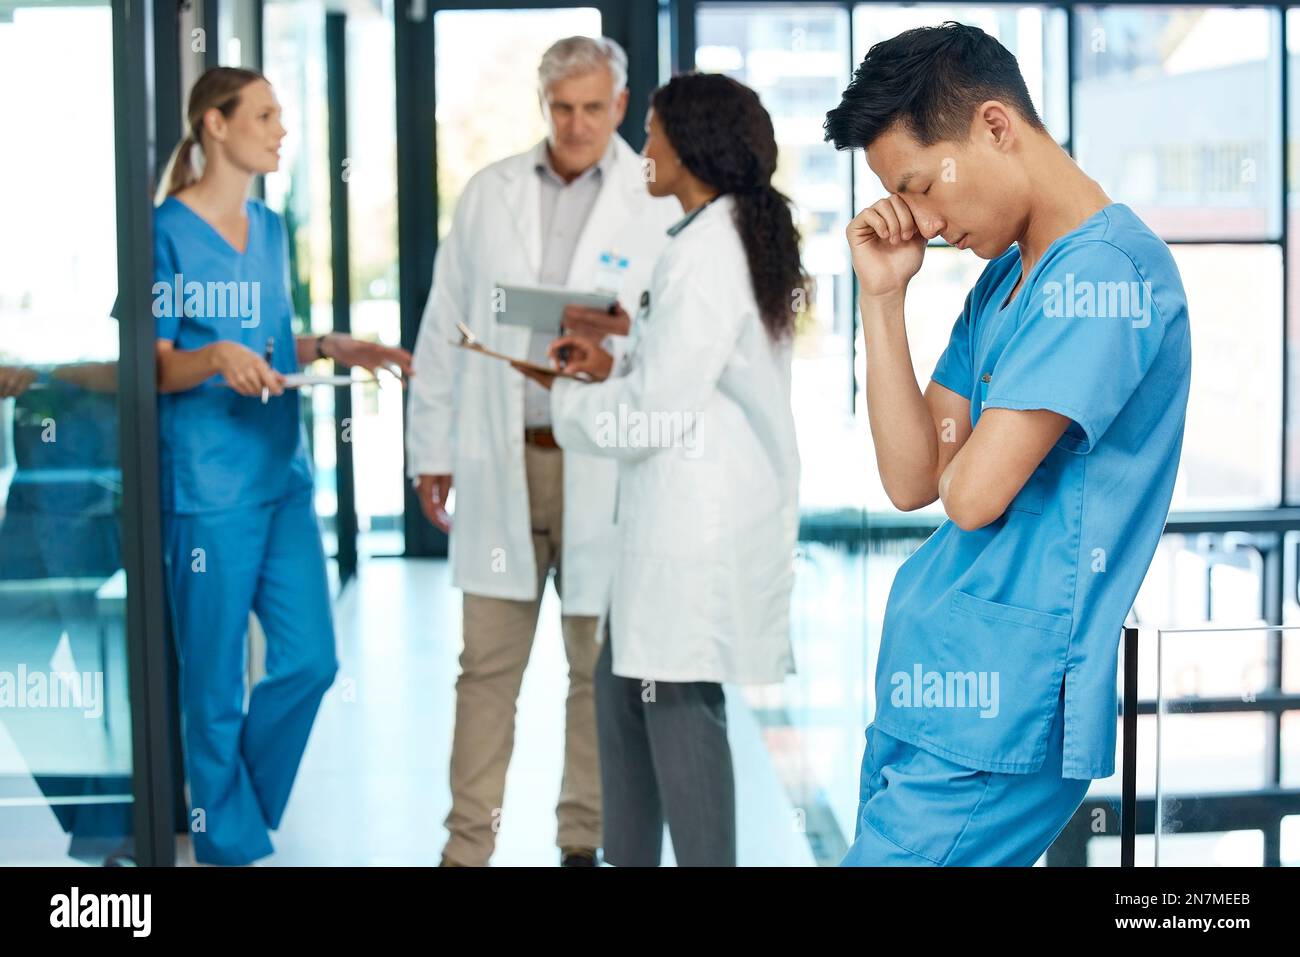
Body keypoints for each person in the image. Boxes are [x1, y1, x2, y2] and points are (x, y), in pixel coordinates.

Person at [822, 22, 1192, 865]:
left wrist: (964, 458)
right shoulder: (1007, 277)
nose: (919, 218)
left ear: (995, 126)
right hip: (933, 690)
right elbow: (916, 475)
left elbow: (974, 492)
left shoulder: (1106, 276)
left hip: (1002, 713)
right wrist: (883, 299)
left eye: (919, 185)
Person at [516, 72, 803, 866]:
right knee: (619, 690)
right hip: (678, 517)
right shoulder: (711, 235)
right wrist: (612, 361)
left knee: (675, 701)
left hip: (694, 523)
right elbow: (675, 375)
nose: (644, 147)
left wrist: (568, 401)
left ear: (694, 143)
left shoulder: (712, 251)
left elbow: (657, 413)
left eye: (653, 132)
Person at [406, 36, 678, 867]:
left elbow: (675, 343)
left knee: (594, 671)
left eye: (594, 108)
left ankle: (580, 843)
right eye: (562, 108)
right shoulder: (489, 195)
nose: (576, 124)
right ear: (542, 104)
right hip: (502, 459)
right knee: (485, 667)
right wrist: (430, 449)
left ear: (621, 107)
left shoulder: (658, 202)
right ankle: (466, 848)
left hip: (602, 463)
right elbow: (445, 323)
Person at [153, 67, 412, 866]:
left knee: (310, 660)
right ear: (216, 126)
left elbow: (271, 347)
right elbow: (160, 367)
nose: (280, 129)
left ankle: (231, 814)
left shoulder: (268, 228)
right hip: (209, 487)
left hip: (281, 476)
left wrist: (339, 345)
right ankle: (229, 845)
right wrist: (214, 354)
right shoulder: (163, 231)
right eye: (264, 115)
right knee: (214, 685)